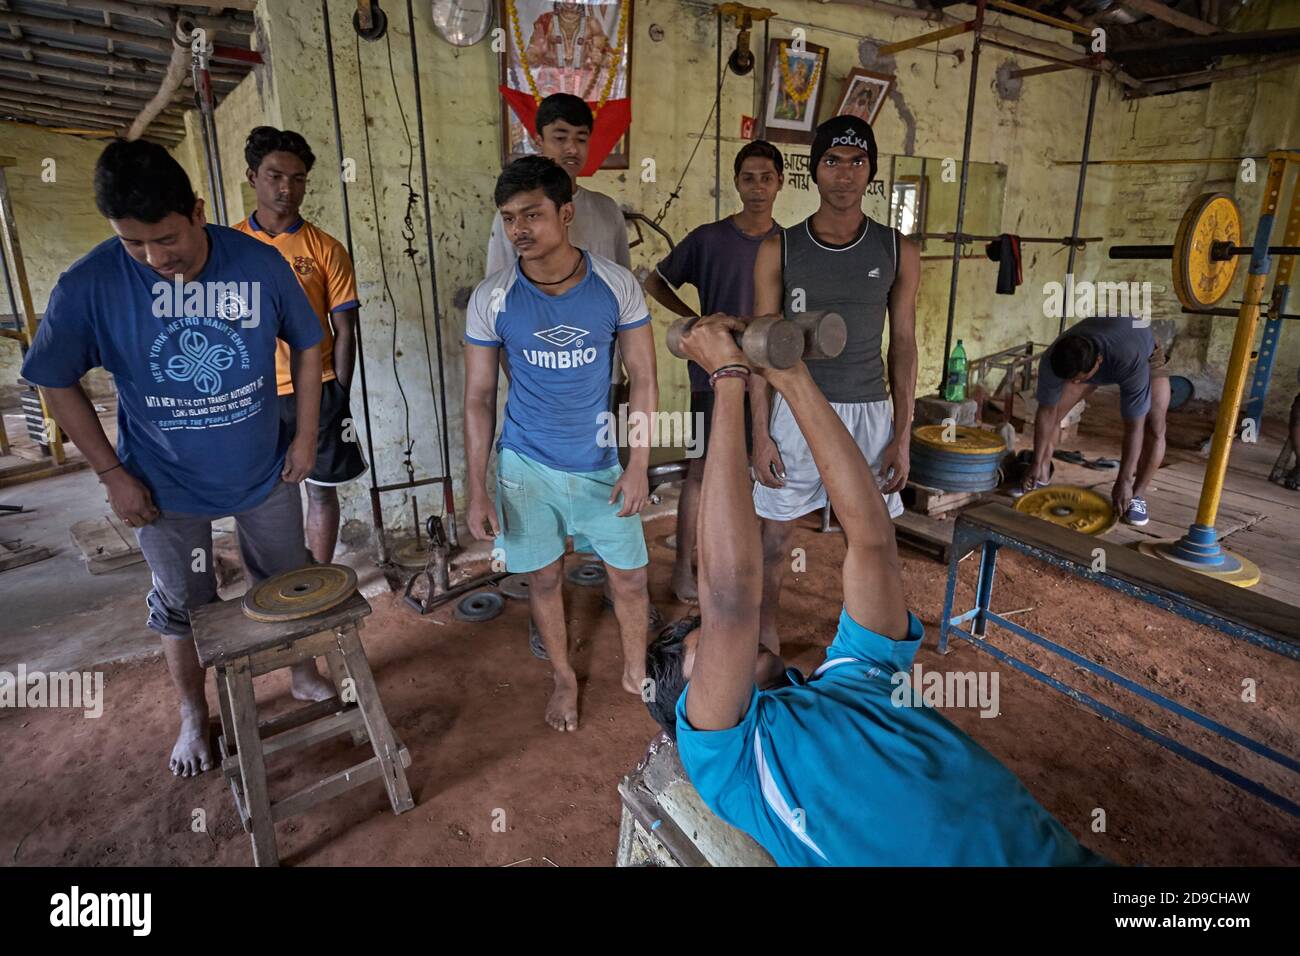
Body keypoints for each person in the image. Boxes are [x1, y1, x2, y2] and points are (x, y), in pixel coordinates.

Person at [641, 315, 1107, 867]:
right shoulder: (731, 762)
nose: (728, 647)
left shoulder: (856, 673)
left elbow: (871, 541)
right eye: (708, 650)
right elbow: (729, 603)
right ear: (686, 710)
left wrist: (793, 380)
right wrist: (728, 379)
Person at [21, 140, 327, 776]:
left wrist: (302, 440)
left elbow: (306, 341)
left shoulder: (259, 264)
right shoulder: (89, 285)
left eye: (166, 238)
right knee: (184, 601)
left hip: (263, 469)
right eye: (135, 244)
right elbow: (54, 380)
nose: (156, 259)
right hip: (159, 485)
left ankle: (300, 669)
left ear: (196, 209)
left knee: (284, 575)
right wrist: (112, 476)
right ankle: (194, 713)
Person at [463, 156, 657, 733]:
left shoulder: (616, 286)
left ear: (566, 213)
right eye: (508, 218)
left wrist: (640, 462)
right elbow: (478, 397)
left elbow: (644, 377)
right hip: (525, 466)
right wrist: (478, 489)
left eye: (532, 214)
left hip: (600, 463)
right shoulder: (492, 297)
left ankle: (635, 669)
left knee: (631, 576)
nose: (518, 229)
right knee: (544, 579)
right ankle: (565, 678)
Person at [750, 115, 919, 653]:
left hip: (869, 413)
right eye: (832, 161)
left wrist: (903, 434)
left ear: (870, 171)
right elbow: (759, 344)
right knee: (776, 534)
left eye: (857, 162)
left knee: (870, 537)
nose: (844, 174)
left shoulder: (898, 251)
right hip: (797, 410)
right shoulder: (780, 248)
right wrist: (760, 433)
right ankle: (764, 635)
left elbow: (905, 345)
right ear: (813, 171)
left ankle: (861, 643)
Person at [644, 140, 784, 602]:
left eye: (767, 178)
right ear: (737, 183)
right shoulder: (709, 239)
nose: (758, 187)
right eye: (749, 178)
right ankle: (683, 570)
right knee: (701, 472)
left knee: (763, 468)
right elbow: (654, 280)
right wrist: (697, 319)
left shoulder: (788, 244)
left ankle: (747, 576)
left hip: (770, 379)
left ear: (780, 183)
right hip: (713, 376)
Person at [234, 126, 367, 569]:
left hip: (318, 387)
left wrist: (339, 396)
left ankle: (319, 579)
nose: (286, 188)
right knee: (261, 496)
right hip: (252, 393)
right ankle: (277, 580)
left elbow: (345, 328)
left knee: (321, 490)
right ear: (253, 176)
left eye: (297, 178)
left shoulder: (326, 249)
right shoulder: (228, 247)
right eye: (274, 176)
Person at [1018, 316, 1171, 526]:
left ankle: (1136, 495)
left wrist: (1123, 480)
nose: (1075, 384)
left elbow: (1134, 427)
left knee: (1155, 426)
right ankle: (1041, 474)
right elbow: (1046, 412)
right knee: (1055, 414)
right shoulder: (1054, 358)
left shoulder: (1129, 359)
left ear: (1098, 362)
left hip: (1144, 351)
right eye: (1073, 380)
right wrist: (1035, 461)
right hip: (1106, 342)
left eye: (1080, 379)